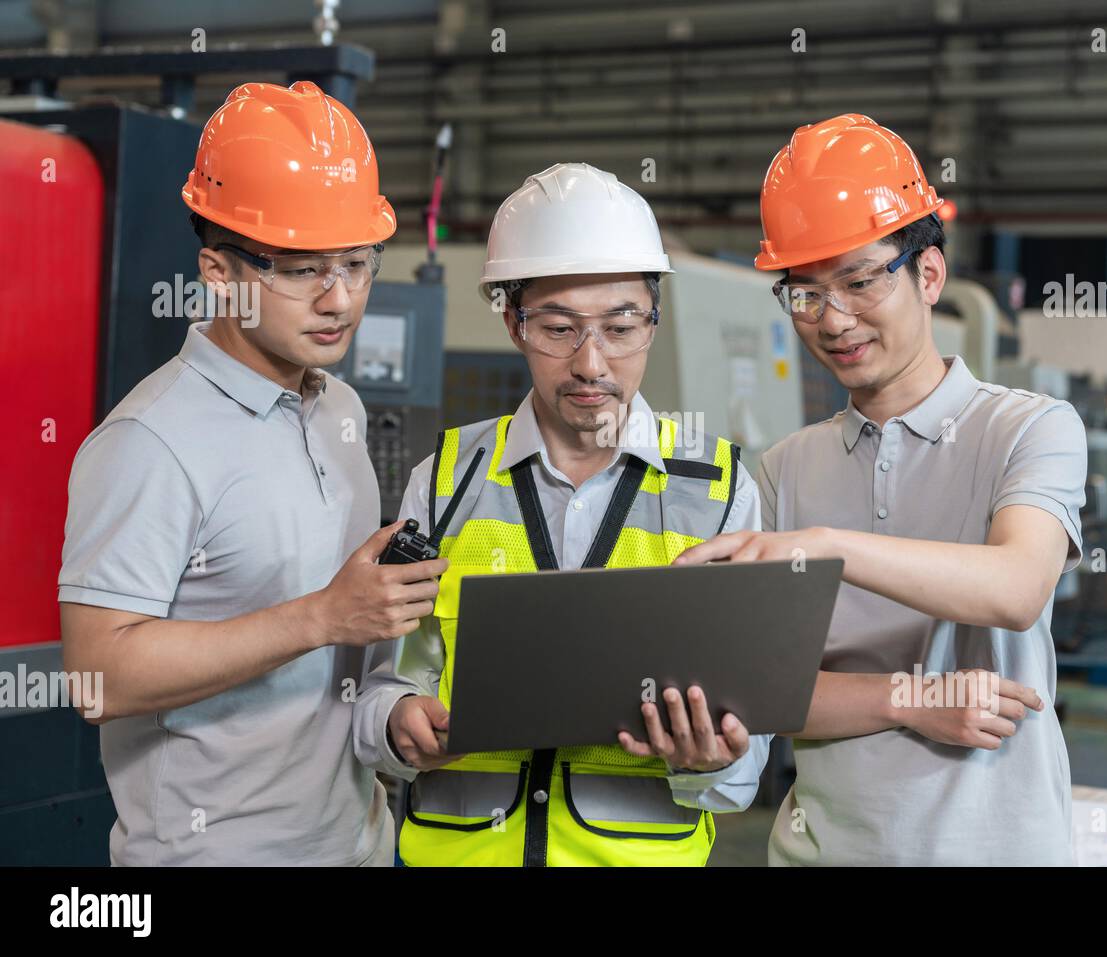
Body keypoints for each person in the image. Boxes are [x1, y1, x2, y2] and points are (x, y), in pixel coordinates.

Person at [677, 114, 1087, 866]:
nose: (833, 320)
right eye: (804, 295)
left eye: (860, 281)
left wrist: (826, 545)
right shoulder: (784, 469)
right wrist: (914, 698)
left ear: (928, 274)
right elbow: (764, 693)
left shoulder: (1030, 429)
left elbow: (1017, 586)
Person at [353, 162, 772, 866]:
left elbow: (743, 770)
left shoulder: (721, 493)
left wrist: (710, 761)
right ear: (513, 322)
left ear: (653, 322)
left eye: (620, 326)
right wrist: (395, 724)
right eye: (558, 328)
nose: (591, 362)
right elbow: (380, 683)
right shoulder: (445, 483)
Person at [57, 81, 423, 865]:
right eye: (301, 270)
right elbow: (95, 677)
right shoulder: (149, 441)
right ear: (218, 270)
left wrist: (400, 718)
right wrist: (321, 616)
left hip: (355, 848)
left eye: (358, 263)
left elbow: (349, 656)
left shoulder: (340, 409)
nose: (340, 299)